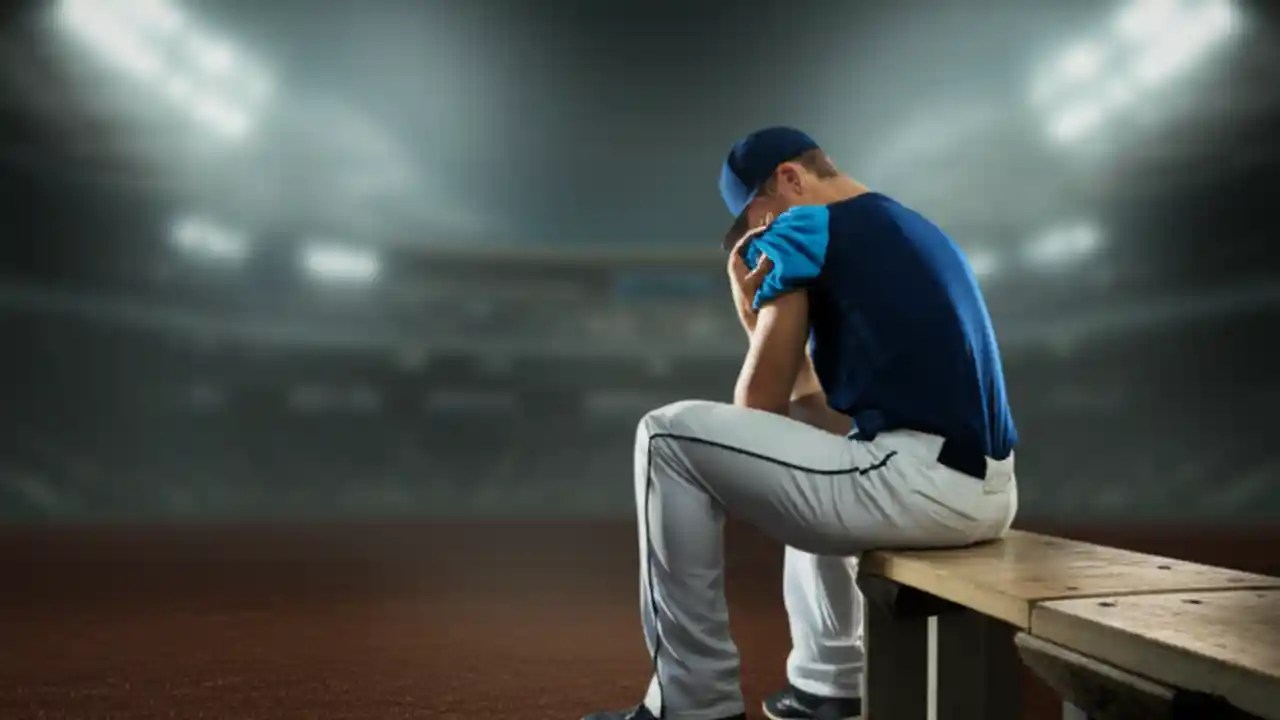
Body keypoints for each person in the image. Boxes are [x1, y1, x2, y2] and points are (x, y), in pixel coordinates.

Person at [583, 127, 1019, 720]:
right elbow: (808, 409)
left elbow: (756, 412)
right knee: (817, 448)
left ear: (792, 178)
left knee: (665, 437)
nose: (763, 238)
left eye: (761, 221)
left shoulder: (809, 226)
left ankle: (692, 704)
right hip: (979, 488)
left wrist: (758, 301)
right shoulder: (905, 226)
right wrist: (756, 311)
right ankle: (830, 685)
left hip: (926, 484)